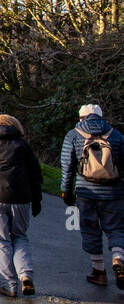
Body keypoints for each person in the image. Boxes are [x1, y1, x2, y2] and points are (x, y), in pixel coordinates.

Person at [0, 112, 42, 297]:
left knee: (2, 241)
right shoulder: (22, 145)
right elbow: (36, 175)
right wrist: (37, 201)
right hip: (21, 198)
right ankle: (25, 274)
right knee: (20, 236)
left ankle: (9, 285)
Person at [60, 103, 124, 289]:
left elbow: (67, 167)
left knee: (90, 229)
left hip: (86, 192)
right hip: (114, 192)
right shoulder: (117, 135)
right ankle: (118, 258)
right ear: (101, 117)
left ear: (81, 118)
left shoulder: (73, 135)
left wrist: (66, 191)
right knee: (116, 228)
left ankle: (99, 271)